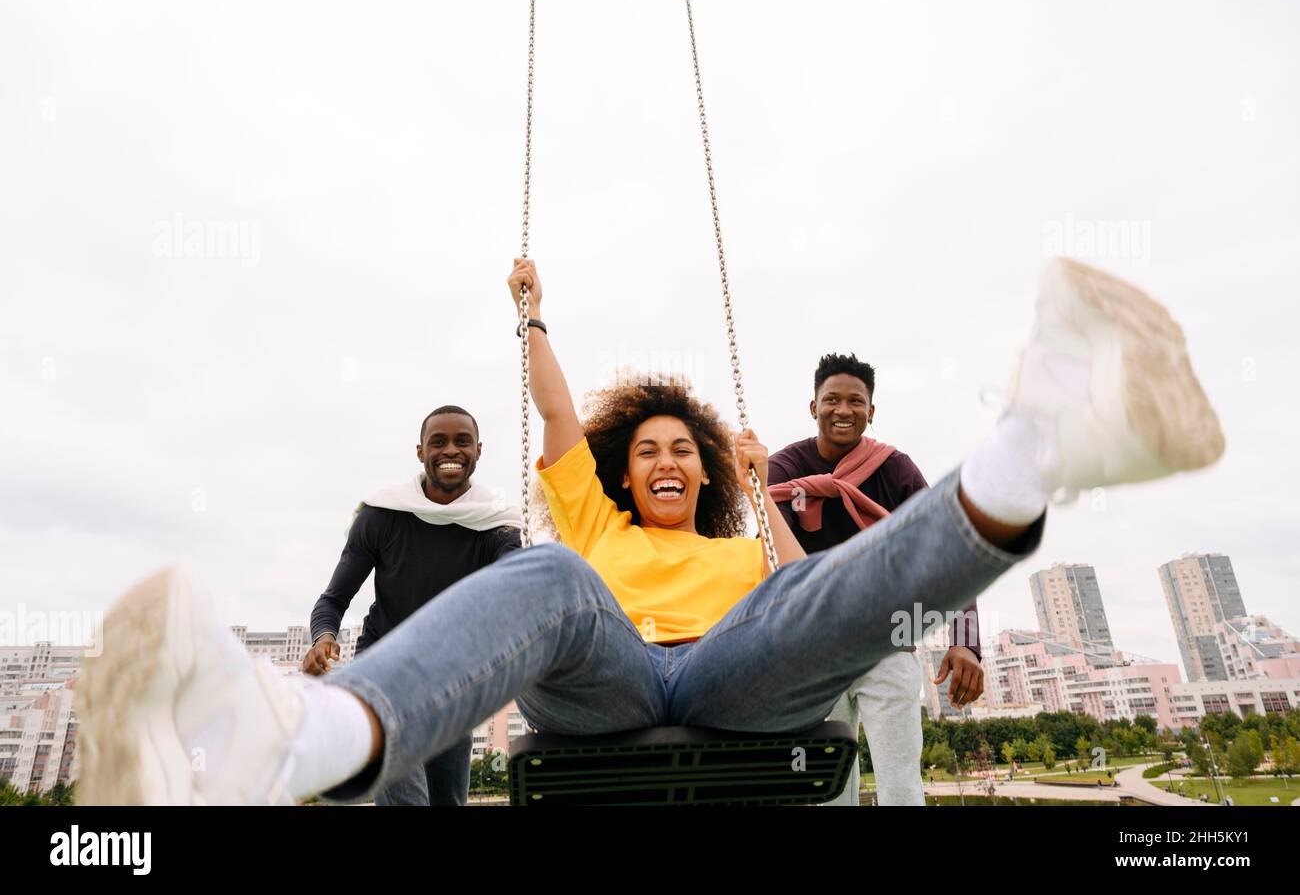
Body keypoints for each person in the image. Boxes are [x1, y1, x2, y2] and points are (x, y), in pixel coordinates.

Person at [73, 256, 1225, 805]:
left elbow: (814, 589)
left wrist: (758, 485)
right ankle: (302, 742)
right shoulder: (591, 517)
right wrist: (530, 314)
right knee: (552, 574)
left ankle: (1039, 446)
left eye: (686, 447)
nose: (668, 458)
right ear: (622, 471)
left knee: (799, 591)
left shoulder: (739, 539)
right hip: (611, 679)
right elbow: (561, 412)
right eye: (650, 450)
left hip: (738, 680)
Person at [767, 352, 981, 806]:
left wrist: (965, 640)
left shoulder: (894, 469)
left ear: (871, 411)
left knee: (902, 786)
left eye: (855, 401)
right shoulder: (786, 469)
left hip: (887, 643)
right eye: (832, 400)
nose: (843, 410)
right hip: (814, 652)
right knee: (827, 792)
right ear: (813, 407)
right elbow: (761, 551)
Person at [302, 405, 522, 805]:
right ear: (420, 452)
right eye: (438, 442)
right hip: (385, 668)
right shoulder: (383, 514)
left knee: (447, 800)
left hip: (452, 677)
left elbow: (516, 599)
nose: (450, 450)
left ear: (479, 450)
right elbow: (332, 601)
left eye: (462, 441)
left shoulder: (497, 524)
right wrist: (324, 638)